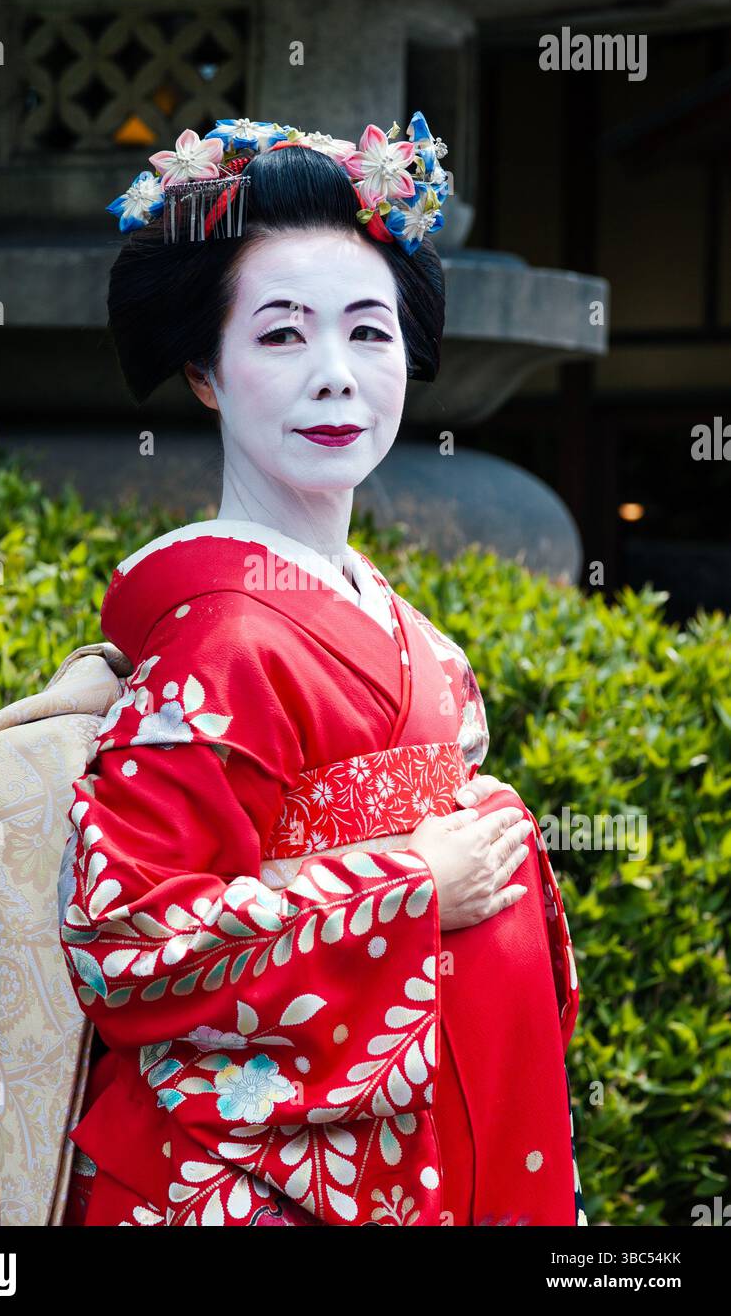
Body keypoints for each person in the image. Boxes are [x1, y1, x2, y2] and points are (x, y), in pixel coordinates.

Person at [58, 116, 586, 1226]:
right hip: (258, 1176)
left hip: (416, 1144)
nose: (336, 378)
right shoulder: (218, 641)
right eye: (283, 337)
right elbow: (125, 941)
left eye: (368, 332)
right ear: (202, 369)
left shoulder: (415, 637)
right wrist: (408, 888)